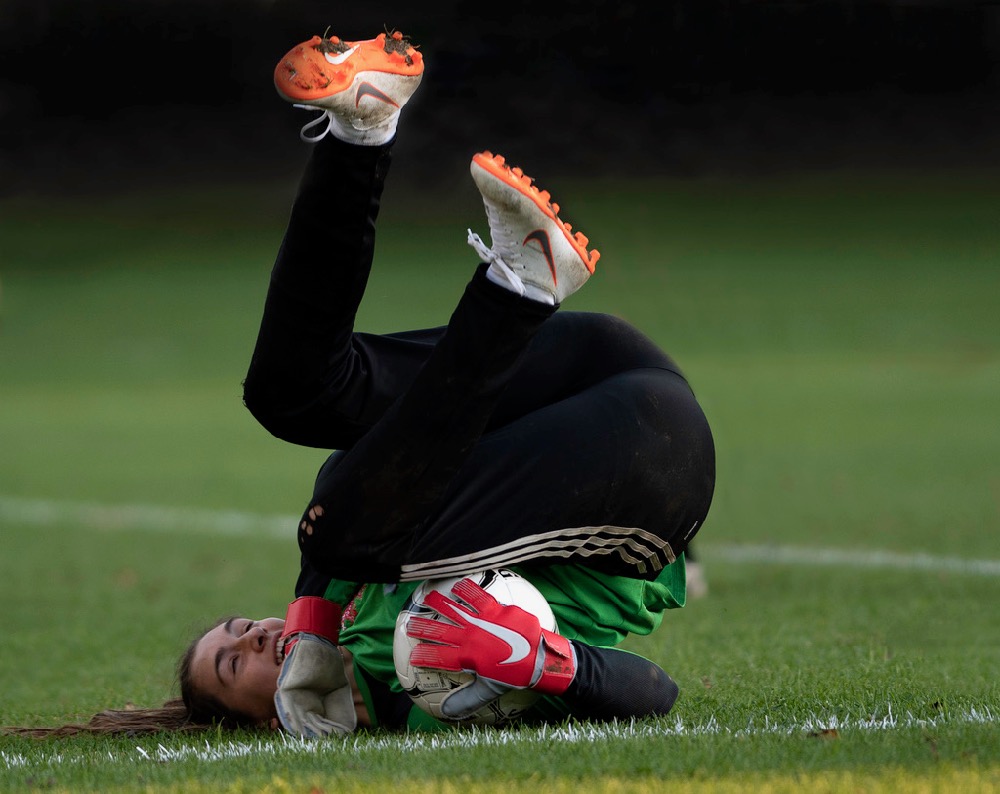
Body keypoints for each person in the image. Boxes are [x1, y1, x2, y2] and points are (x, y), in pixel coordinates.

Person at [6, 29, 715, 738]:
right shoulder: (422, 694)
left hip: (591, 360)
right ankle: (517, 290)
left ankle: (363, 129)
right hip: (650, 470)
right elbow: (655, 693)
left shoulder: (342, 573)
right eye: (233, 665)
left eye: (235, 627)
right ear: (267, 718)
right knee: (343, 528)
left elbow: (344, 467)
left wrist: (312, 615)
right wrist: (546, 665)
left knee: (293, 395)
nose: (252, 636)